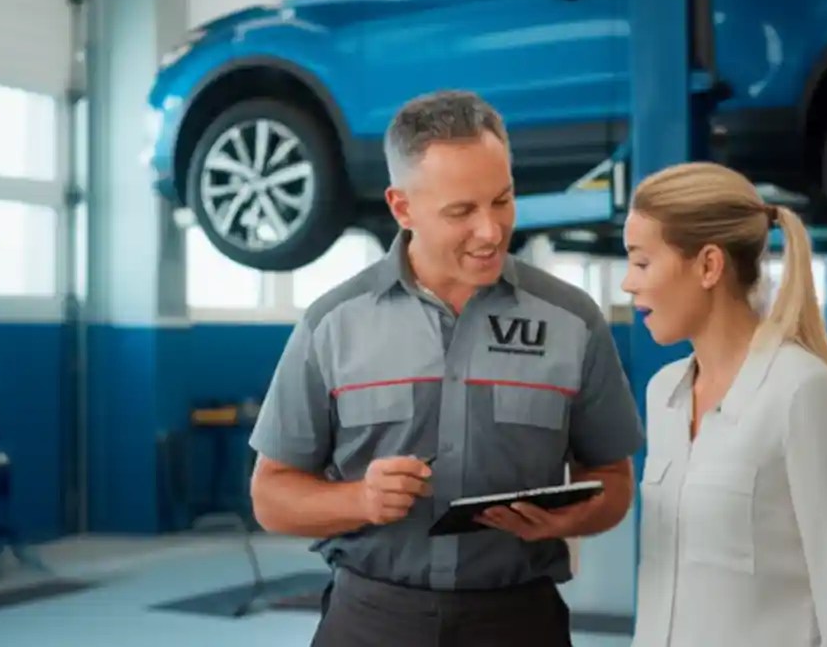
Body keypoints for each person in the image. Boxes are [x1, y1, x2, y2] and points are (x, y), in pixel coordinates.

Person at [247, 89, 645, 647]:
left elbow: (615, 481)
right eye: (461, 211)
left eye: (502, 201)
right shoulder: (333, 324)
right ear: (402, 207)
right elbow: (271, 497)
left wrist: (569, 519)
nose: (491, 230)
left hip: (520, 621)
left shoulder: (572, 321)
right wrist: (359, 500)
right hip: (370, 619)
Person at [622, 162, 827, 647]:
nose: (628, 283)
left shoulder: (804, 395)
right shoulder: (664, 394)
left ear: (708, 265)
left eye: (642, 263)